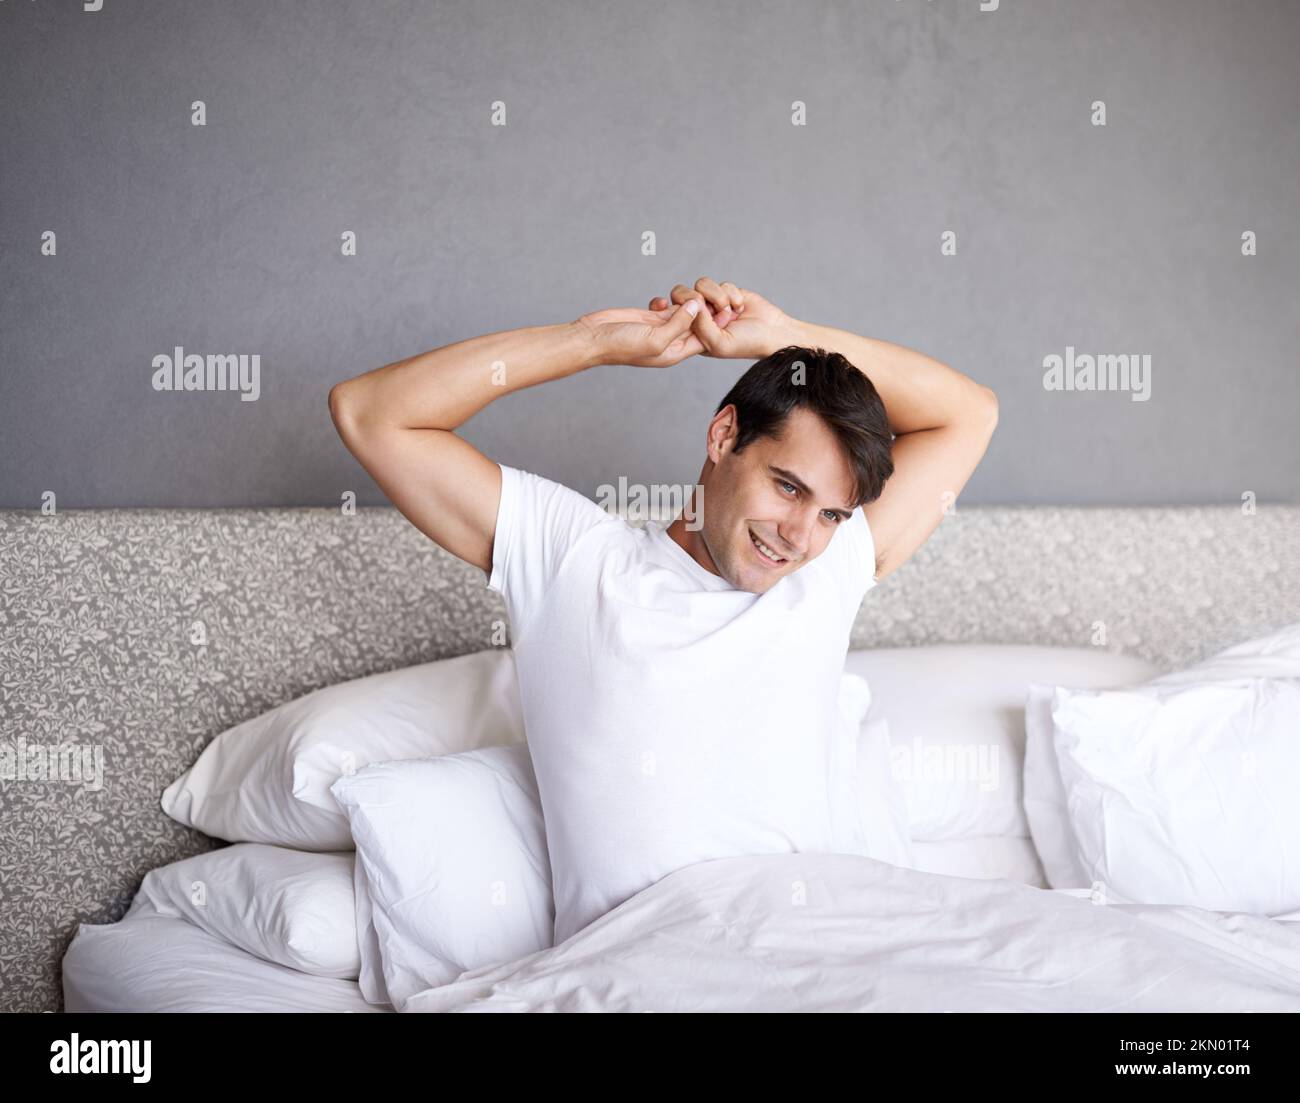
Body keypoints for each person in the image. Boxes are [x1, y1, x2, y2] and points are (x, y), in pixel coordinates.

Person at [328, 276, 998, 942]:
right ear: (724, 434)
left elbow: (972, 413)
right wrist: (590, 343)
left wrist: (790, 344)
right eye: (787, 486)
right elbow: (370, 412)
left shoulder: (826, 573)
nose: (799, 535)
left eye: (830, 512)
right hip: (656, 967)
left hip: (835, 954)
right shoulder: (579, 562)